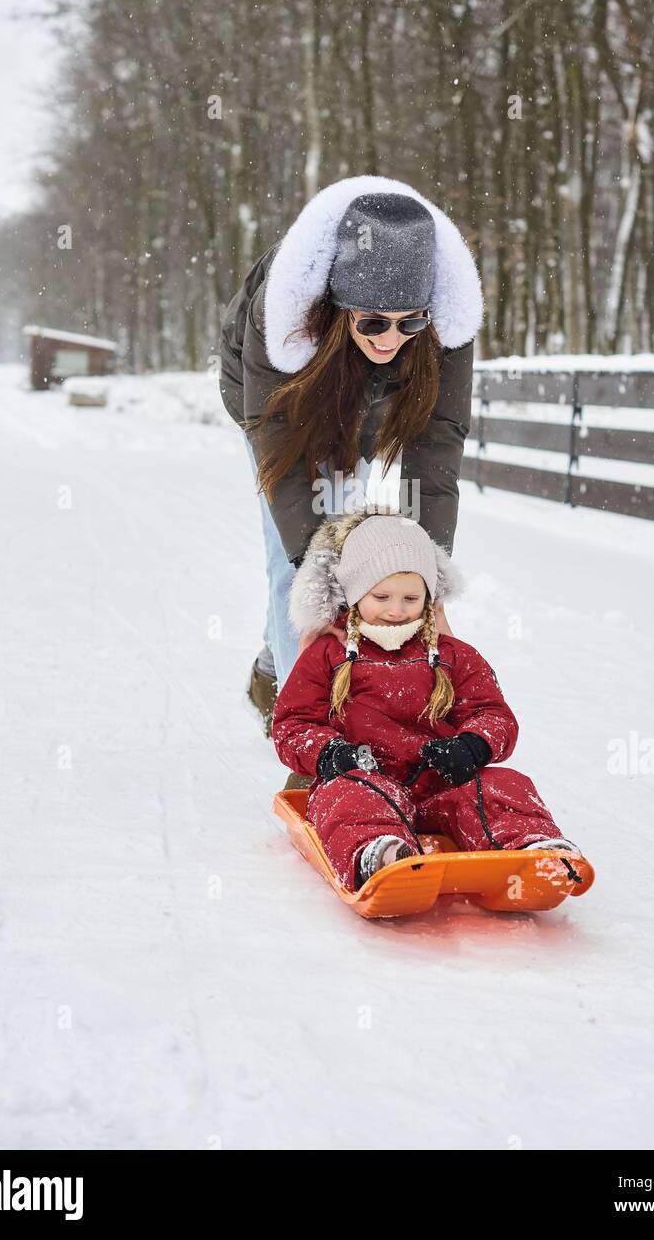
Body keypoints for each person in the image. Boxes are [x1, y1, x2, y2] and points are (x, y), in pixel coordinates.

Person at [217, 175, 482, 730]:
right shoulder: (285, 314)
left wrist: (429, 582)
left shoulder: (447, 319)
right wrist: (317, 582)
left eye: (410, 321)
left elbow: (437, 448)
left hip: (366, 409)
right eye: (372, 321)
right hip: (282, 409)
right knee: (308, 562)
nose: (391, 338)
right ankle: (310, 729)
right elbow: (288, 469)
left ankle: (274, 664)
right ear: (338, 308)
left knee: (357, 550)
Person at [271, 509, 583, 893]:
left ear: (429, 598)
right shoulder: (328, 654)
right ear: (353, 593)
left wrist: (472, 745)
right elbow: (293, 723)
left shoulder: (453, 654)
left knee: (503, 783)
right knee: (344, 798)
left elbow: (493, 713)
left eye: (411, 597)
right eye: (381, 596)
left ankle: (534, 848)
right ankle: (380, 855)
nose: (396, 610)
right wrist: (330, 754)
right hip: (366, 777)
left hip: (441, 783)